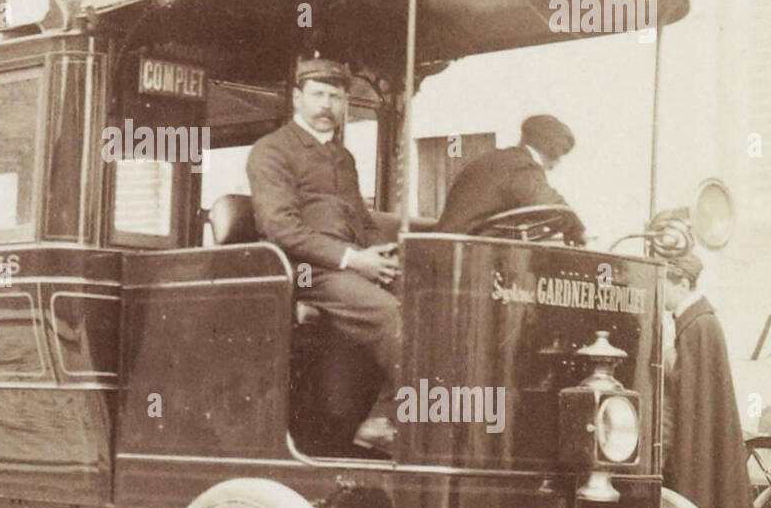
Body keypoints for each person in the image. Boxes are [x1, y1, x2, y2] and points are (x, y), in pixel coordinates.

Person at [246, 57, 400, 447]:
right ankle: (392, 420)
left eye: (335, 96)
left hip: (345, 267)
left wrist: (378, 252)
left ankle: (379, 418)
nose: (326, 105)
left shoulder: (342, 158)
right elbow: (279, 227)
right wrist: (352, 259)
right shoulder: (272, 150)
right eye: (317, 95)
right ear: (297, 98)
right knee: (388, 313)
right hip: (303, 270)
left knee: (426, 296)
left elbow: (361, 220)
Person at [662, 251, 751, 508]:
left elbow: (688, 396)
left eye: (664, 282)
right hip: (705, 444)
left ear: (683, 284)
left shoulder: (697, 325)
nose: (660, 291)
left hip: (697, 446)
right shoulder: (699, 322)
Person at [436, 113, 585, 242]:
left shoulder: (500, 159)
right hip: (465, 254)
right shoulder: (521, 167)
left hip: (455, 246)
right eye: (558, 155)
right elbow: (546, 202)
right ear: (552, 151)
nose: (556, 164)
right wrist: (577, 230)